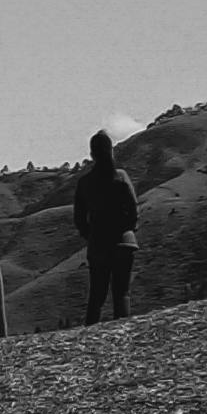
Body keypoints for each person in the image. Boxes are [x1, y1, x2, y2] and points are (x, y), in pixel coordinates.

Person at [73, 129, 140, 323]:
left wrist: (91, 235)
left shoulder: (85, 183)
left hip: (99, 245)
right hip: (124, 242)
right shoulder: (120, 177)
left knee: (97, 296)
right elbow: (133, 208)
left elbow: (79, 218)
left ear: (92, 154)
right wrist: (128, 229)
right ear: (111, 151)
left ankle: (89, 338)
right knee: (122, 294)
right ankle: (123, 335)